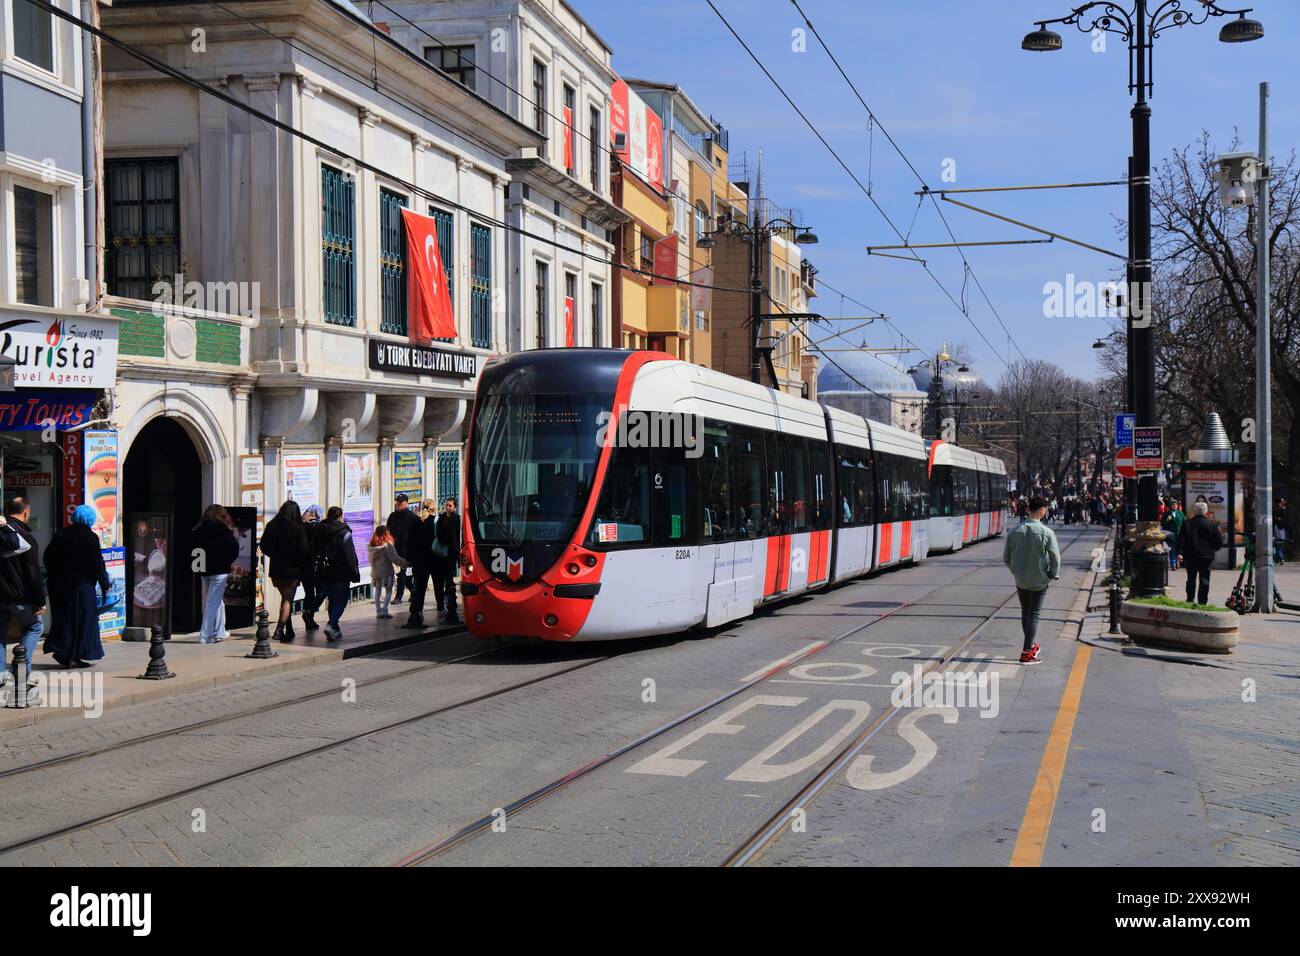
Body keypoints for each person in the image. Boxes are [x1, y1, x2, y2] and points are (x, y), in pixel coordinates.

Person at [43, 505, 112, 667]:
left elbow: (48, 558)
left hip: (62, 587)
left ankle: (65, 652)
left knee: (66, 620)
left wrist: (55, 577)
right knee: (84, 621)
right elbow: (97, 563)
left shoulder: (61, 534)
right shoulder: (90, 537)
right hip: (83, 586)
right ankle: (77, 653)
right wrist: (104, 583)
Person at [1002, 496, 1060, 666]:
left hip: (1021, 580)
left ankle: (1030, 645)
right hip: (1039, 580)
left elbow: (1006, 558)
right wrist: (1051, 574)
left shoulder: (1014, 531)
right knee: (1034, 614)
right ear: (1042, 510)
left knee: (1025, 613)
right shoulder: (1047, 533)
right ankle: (1027, 652)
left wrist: (1016, 572)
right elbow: (1055, 558)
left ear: (1029, 509)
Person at [0, 497, 45, 689]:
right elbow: (32, 572)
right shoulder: (25, 537)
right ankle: (18, 671)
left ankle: (1, 676)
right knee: (35, 627)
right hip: (21, 596)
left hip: (1, 597)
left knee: (0, 633)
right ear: (26, 512)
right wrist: (40, 600)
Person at [260, 500, 310, 642]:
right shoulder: (297, 528)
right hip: (292, 570)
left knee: (285, 599)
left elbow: (264, 546)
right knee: (287, 600)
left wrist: (275, 556)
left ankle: (289, 629)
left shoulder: (272, 525)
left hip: (276, 570)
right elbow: (304, 550)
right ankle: (279, 630)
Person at [191, 504, 240, 643]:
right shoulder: (223, 529)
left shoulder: (199, 528)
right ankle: (205, 635)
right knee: (212, 602)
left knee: (217, 601)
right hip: (220, 570)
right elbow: (234, 548)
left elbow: (193, 548)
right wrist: (228, 562)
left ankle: (220, 632)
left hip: (204, 570)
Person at [310, 506, 360, 641]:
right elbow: (349, 553)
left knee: (332, 599)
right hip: (341, 571)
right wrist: (354, 568)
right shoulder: (344, 532)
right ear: (340, 517)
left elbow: (314, 549)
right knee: (341, 600)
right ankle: (331, 624)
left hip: (324, 571)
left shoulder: (319, 529)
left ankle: (335, 629)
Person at [401, 499, 438, 630]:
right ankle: (441, 608)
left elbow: (409, 542)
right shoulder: (434, 521)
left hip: (418, 561)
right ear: (433, 508)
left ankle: (417, 612)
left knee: (419, 587)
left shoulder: (415, 522)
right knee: (437, 585)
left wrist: (410, 558)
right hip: (432, 559)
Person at [1179, 500, 1224, 606]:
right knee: (1204, 579)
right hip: (1206, 555)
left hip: (1191, 555)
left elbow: (1181, 540)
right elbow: (1219, 541)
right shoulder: (1211, 525)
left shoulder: (1187, 523)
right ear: (1206, 511)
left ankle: (1190, 599)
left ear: (1194, 511)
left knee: (1191, 578)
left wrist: (1180, 553)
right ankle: (1202, 602)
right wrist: (1213, 549)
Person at [367, 524, 408, 620]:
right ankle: (384, 610)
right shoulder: (388, 546)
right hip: (386, 572)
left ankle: (378, 611)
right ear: (386, 534)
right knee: (388, 591)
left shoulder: (371, 546)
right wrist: (406, 564)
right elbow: (395, 558)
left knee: (377, 591)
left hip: (376, 572)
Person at [386, 493, 419, 605]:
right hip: (395, 548)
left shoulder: (413, 517)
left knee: (401, 573)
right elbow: (388, 532)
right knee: (402, 574)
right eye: (397, 502)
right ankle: (413, 590)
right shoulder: (392, 516)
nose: (398, 504)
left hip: (408, 549)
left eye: (401, 502)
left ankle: (398, 597)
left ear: (406, 503)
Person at [433, 497, 461, 624]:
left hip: (452, 551)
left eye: (450, 505)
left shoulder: (458, 519)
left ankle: (449, 593)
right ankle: (447, 593)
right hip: (442, 551)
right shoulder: (441, 518)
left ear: (454, 507)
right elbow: (439, 534)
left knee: (449, 574)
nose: (448, 507)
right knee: (444, 574)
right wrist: (445, 541)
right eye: (447, 505)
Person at [300, 505, 324, 631]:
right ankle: (309, 613)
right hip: (315, 565)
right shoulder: (319, 528)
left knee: (309, 593)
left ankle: (309, 620)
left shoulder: (302, 527)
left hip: (304, 566)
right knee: (321, 591)